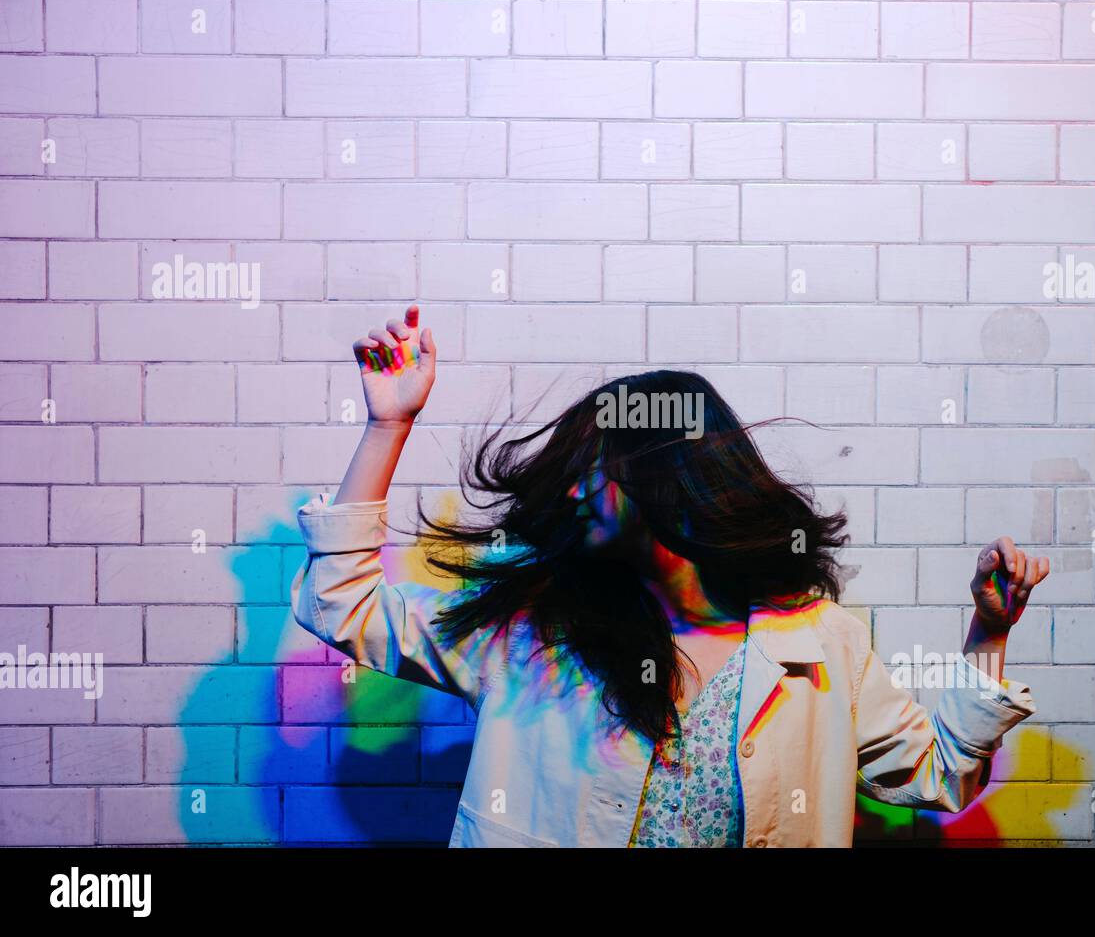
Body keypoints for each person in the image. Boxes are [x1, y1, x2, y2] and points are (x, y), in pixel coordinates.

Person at [289, 304, 1049, 847]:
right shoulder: (527, 634)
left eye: (591, 468)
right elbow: (340, 604)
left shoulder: (824, 645)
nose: (572, 491)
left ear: (664, 477)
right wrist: (388, 424)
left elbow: (941, 774)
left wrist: (989, 632)